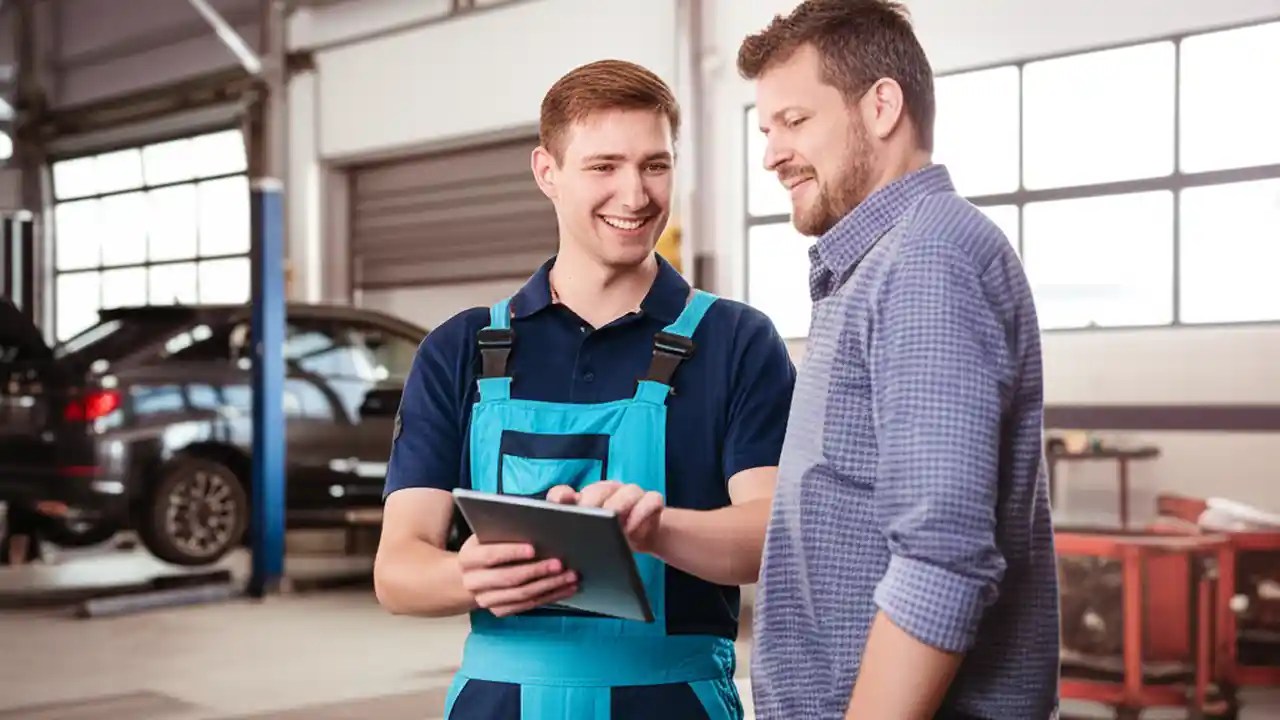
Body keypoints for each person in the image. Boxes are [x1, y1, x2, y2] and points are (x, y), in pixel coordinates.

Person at [374, 59, 796, 719]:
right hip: (497, 704)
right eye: (604, 166)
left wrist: (656, 529)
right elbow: (396, 569)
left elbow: (775, 535)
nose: (635, 195)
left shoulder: (736, 342)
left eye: (656, 165)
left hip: (671, 703)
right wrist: (469, 574)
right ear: (548, 172)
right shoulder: (460, 350)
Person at [737, 2, 1061, 719]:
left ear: (882, 105)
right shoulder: (878, 265)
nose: (771, 154)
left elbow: (942, 560)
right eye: (766, 130)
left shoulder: (926, 259)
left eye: (794, 121)